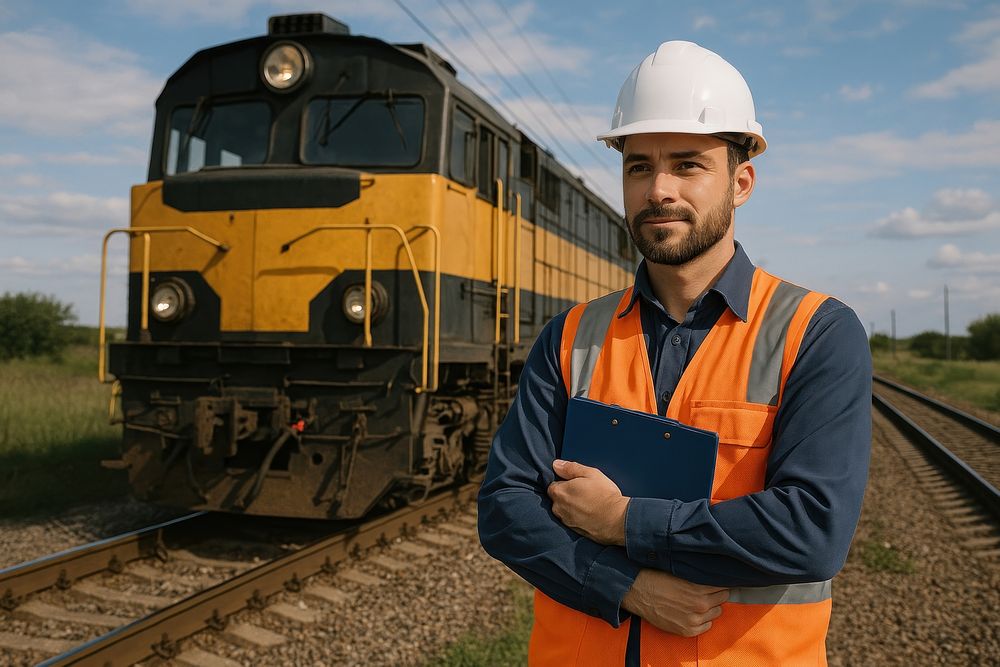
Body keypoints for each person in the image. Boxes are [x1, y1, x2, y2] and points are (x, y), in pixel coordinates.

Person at [477, 41, 871, 666]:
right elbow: (504, 509)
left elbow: (812, 531)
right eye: (638, 166)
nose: (659, 189)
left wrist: (623, 522)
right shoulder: (571, 335)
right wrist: (624, 586)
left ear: (741, 182)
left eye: (688, 165)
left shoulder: (817, 332)